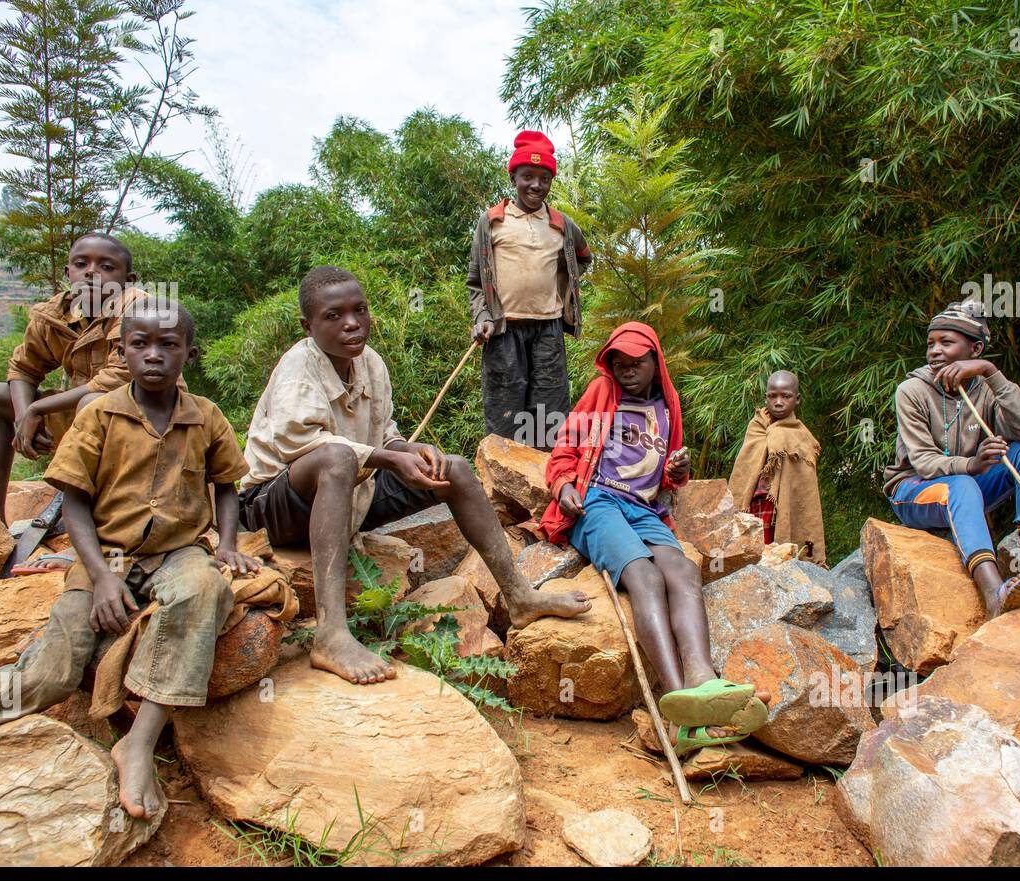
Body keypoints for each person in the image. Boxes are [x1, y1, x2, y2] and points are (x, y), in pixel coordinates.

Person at [0, 301, 260, 820]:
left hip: (178, 550)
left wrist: (229, 544)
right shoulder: (99, 412)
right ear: (121, 352)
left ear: (188, 354)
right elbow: (74, 500)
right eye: (139, 344)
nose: (153, 356)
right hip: (108, 554)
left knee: (204, 589)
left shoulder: (206, 416)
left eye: (168, 346)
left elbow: (227, 486)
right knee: (51, 672)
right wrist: (101, 578)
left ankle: (139, 742)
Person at [238, 266, 590, 686]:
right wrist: (391, 460)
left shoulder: (370, 363)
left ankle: (520, 596)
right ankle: (331, 635)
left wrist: (409, 451)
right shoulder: (299, 367)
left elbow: (386, 435)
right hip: (274, 509)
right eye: (334, 316)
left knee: (454, 468)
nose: (352, 323)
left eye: (360, 310)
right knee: (336, 459)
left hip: (352, 494)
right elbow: (305, 447)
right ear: (308, 326)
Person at [541, 321, 769, 755]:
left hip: (645, 509)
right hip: (599, 503)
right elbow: (564, 452)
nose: (627, 370)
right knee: (645, 577)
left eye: (637, 363)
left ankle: (702, 679)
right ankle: (677, 699)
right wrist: (565, 487)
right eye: (620, 363)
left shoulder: (669, 404)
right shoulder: (600, 393)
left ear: (655, 363)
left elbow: (665, 475)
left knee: (682, 569)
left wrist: (677, 473)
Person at [882, 301, 1020, 618]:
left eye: (946, 343)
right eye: (931, 343)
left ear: (975, 349)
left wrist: (992, 373)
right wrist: (973, 464)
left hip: (970, 487)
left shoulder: (988, 389)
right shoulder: (912, 390)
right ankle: (994, 593)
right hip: (915, 491)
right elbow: (923, 462)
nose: (934, 351)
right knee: (961, 484)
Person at [0, 233, 147, 527]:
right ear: (68, 273)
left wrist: (37, 409)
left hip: (141, 422)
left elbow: (116, 379)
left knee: (94, 402)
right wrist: (22, 416)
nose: (92, 272)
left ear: (128, 280)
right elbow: (24, 369)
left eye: (107, 267)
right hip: (84, 417)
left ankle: (87, 515)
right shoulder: (54, 315)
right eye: (81, 264)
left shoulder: (140, 310)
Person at [468, 130, 591, 449]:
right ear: (514, 177)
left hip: (548, 331)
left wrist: (563, 288)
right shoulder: (492, 221)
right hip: (504, 331)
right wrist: (482, 316)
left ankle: (547, 486)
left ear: (551, 181)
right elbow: (475, 282)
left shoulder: (561, 224)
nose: (536, 185)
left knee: (549, 416)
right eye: (528, 177)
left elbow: (583, 257)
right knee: (505, 415)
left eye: (544, 178)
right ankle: (501, 492)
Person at [728, 369, 827, 563]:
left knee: (781, 560)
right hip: (754, 508)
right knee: (751, 560)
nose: (779, 402)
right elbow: (744, 470)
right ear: (766, 398)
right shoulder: (756, 427)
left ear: (797, 399)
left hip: (784, 509)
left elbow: (805, 490)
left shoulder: (802, 437)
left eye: (786, 396)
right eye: (773, 396)